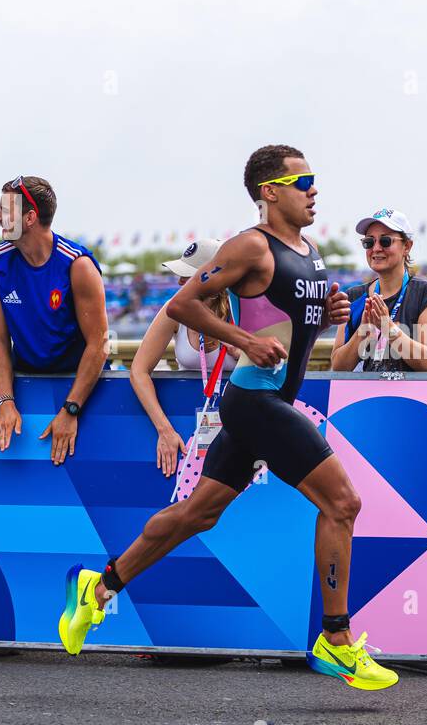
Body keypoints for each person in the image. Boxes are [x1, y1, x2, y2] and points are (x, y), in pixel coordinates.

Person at [57, 144, 399, 691]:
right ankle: (336, 641)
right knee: (343, 502)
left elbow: (296, 319)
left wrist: (331, 313)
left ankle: (98, 588)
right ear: (270, 191)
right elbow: (182, 306)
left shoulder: (308, 250)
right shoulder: (249, 247)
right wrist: (243, 339)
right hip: (254, 401)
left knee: (198, 514)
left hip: (267, 403)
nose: (314, 189)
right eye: (302, 180)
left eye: (314, 179)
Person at [0, 176, 109, 465]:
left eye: (4, 211)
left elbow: (99, 344)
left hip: (81, 389)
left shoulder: (78, 265)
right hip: (28, 383)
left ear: (30, 217)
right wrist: (6, 402)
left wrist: (71, 409)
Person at [130, 238, 239, 478]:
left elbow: (277, 369)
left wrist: (245, 356)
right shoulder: (175, 308)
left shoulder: (244, 310)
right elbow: (138, 370)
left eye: (187, 276)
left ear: (215, 279)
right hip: (190, 427)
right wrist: (165, 430)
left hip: (242, 425)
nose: (179, 282)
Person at [330, 207, 427, 373]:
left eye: (385, 241)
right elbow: (338, 367)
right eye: (369, 242)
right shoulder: (353, 296)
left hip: (410, 397)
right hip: (362, 397)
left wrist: (388, 327)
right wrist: (363, 332)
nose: (376, 248)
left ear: (406, 246)